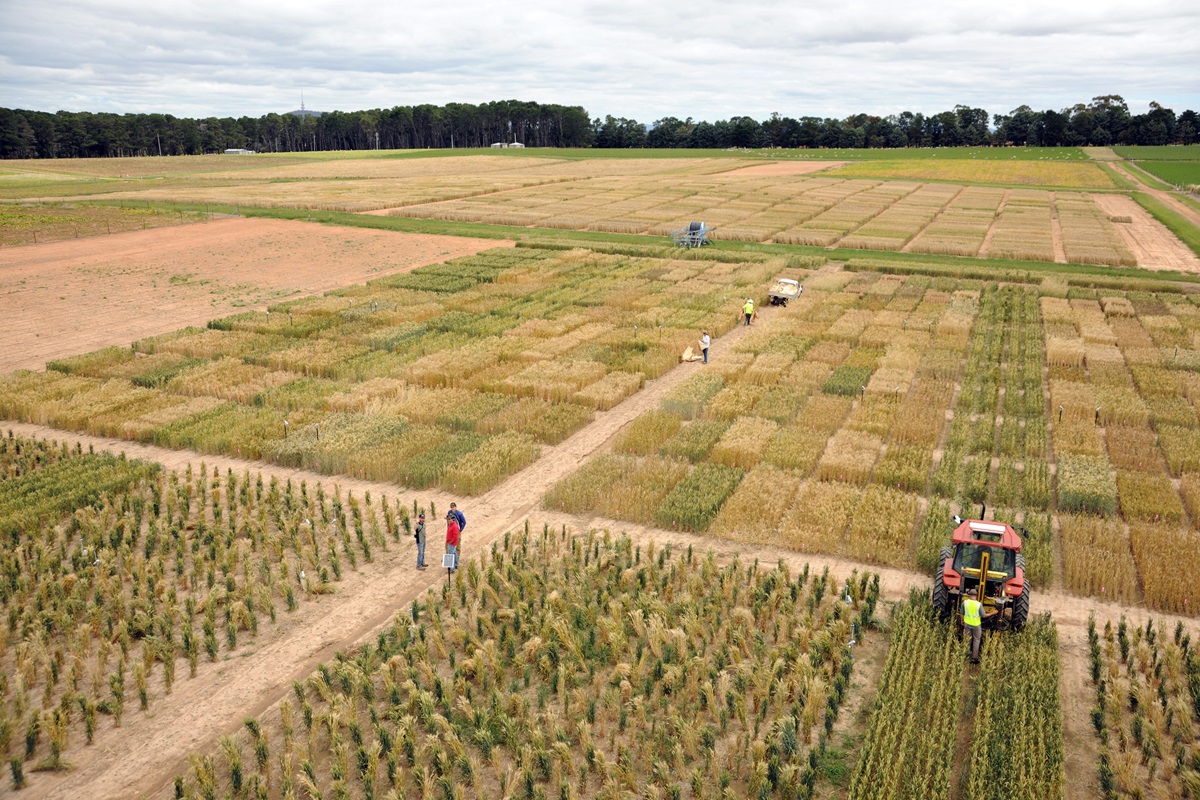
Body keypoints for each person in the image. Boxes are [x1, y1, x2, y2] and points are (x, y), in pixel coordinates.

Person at [963, 587, 983, 664]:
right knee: (976, 640)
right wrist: (993, 613)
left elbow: (961, 613)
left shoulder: (965, 602)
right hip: (976, 625)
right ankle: (974, 658)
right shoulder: (979, 604)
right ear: (976, 596)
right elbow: (984, 615)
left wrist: (962, 620)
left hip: (967, 624)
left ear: (969, 595)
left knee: (968, 639)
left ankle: (966, 655)